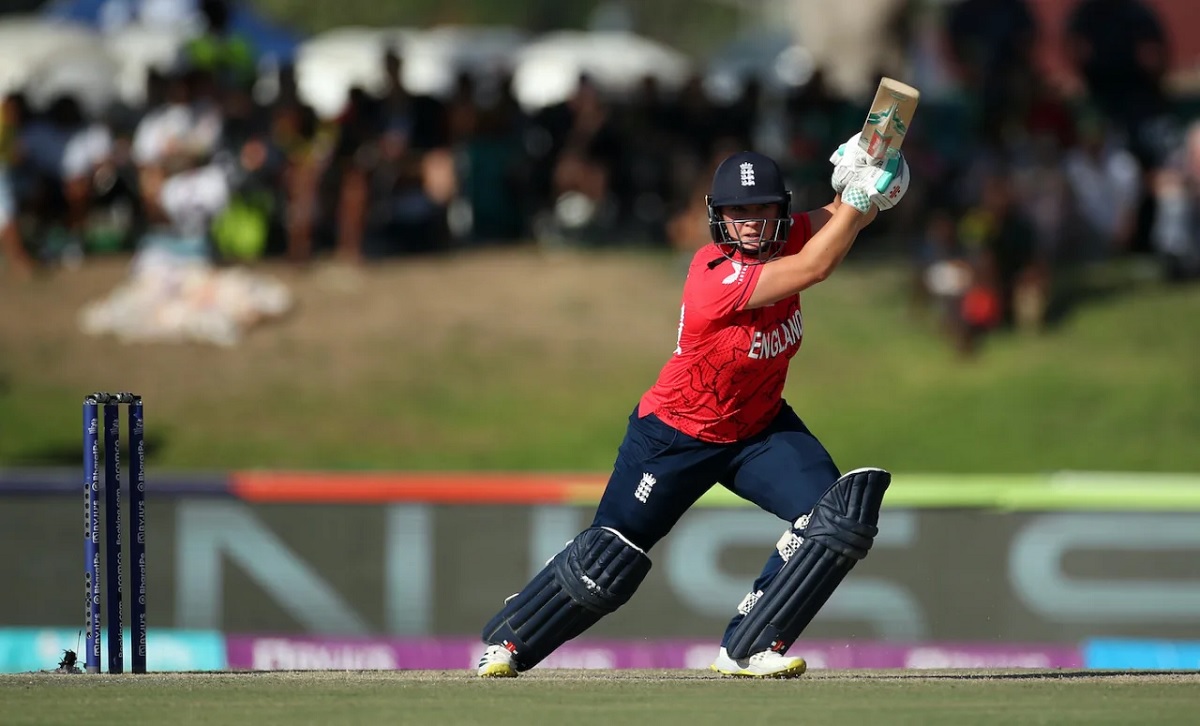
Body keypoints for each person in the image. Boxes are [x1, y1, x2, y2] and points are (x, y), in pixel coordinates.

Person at [475, 136, 910, 678]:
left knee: (838, 517)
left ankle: (751, 645)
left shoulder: (785, 238)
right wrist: (859, 202)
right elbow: (819, 265)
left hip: (758, 430)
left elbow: (838, 222)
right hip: (674, 435)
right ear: (718, 218)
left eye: (763, 210)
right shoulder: (713, 276)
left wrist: (870, 181)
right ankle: (511, 642)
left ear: (781, 211)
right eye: (739, 212)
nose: (752, 222)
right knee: (607, 565)